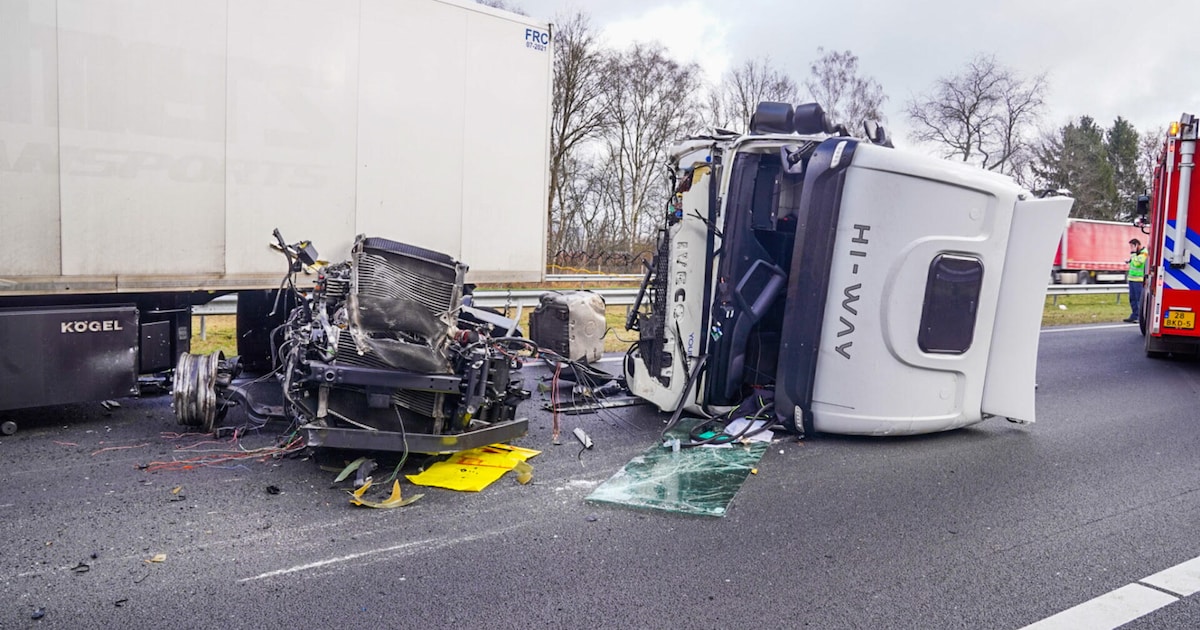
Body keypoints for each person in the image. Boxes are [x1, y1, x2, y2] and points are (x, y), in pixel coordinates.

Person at [1124, 238, 1148, 323]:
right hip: (1132, 279)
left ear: (1137, 245)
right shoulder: (1136, 254)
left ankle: (1138, 316)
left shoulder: (1144, 253)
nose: (1131, 249)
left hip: (1139, 280)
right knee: (1132, 299)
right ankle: (1134, 315)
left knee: (1138, 299)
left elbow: (1138, 263)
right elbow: (1133, 263)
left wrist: (1133, 254)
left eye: (1132, 246)